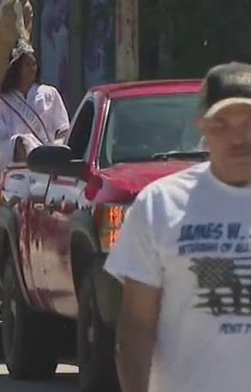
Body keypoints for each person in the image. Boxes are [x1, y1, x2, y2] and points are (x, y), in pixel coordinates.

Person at [104, 62, 251, 392]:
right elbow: (135, 328)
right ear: (202, 126)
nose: (238, 138)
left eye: (249, 122)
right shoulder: (160, 204)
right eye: (222, 124)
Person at [0, 43, 70, 169]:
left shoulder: (50, 93)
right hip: (12, 153)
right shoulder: (5, 98)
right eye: (27, 65)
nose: (32, 69)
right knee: (20, 141)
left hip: (45, 152)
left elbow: (63, 128)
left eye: (34, 64)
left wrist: (56, 148)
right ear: (17, 69)